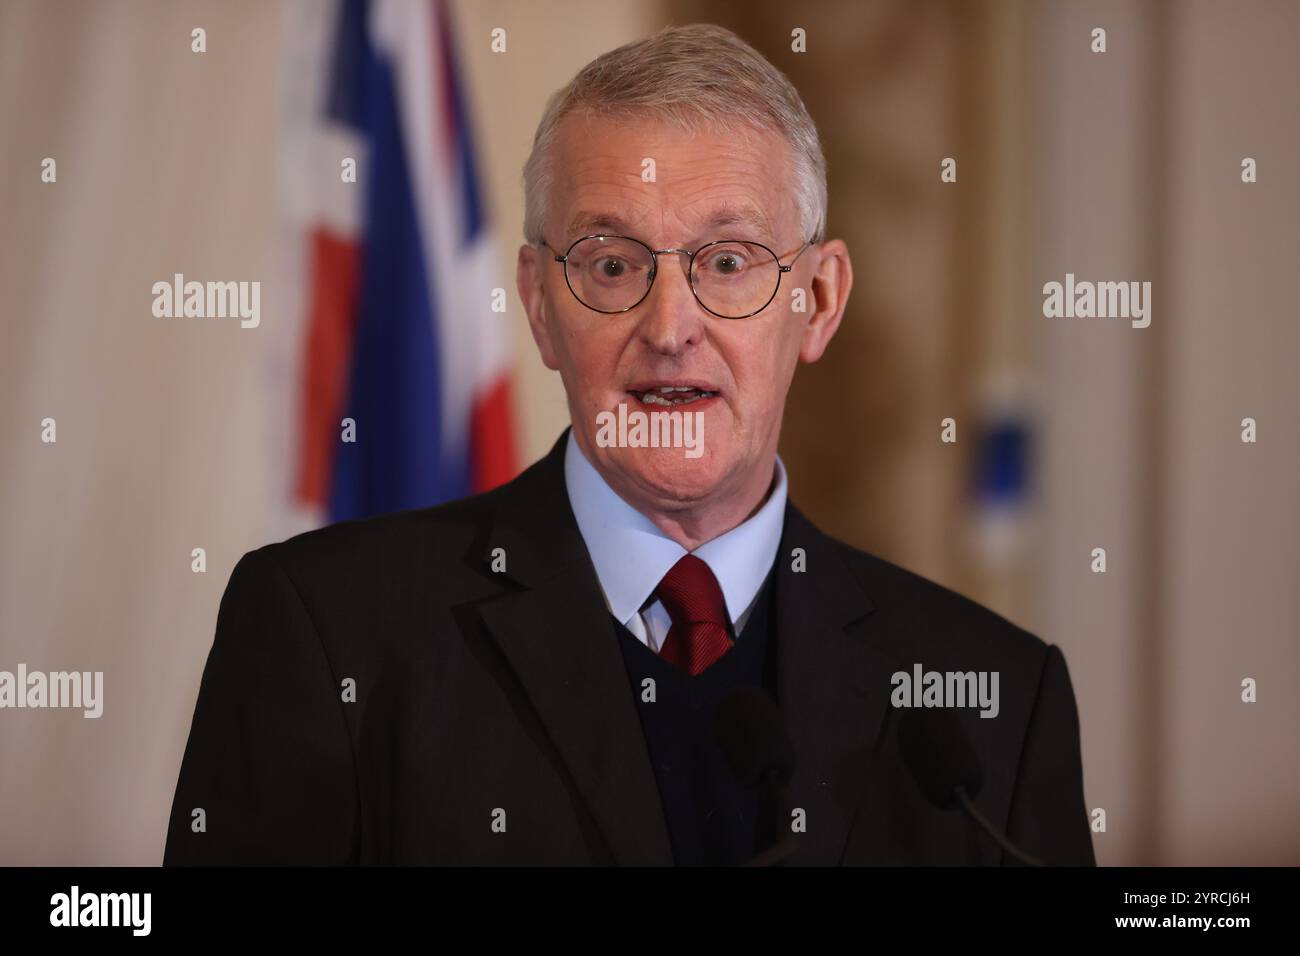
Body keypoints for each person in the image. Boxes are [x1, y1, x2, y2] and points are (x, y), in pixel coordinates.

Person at [164, 23, 1094, 866]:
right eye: (613, 265)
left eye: (728, 262)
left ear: (818, 299)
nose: (670, 326)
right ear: (538, 305)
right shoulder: (329, 638)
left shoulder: (998, 702)